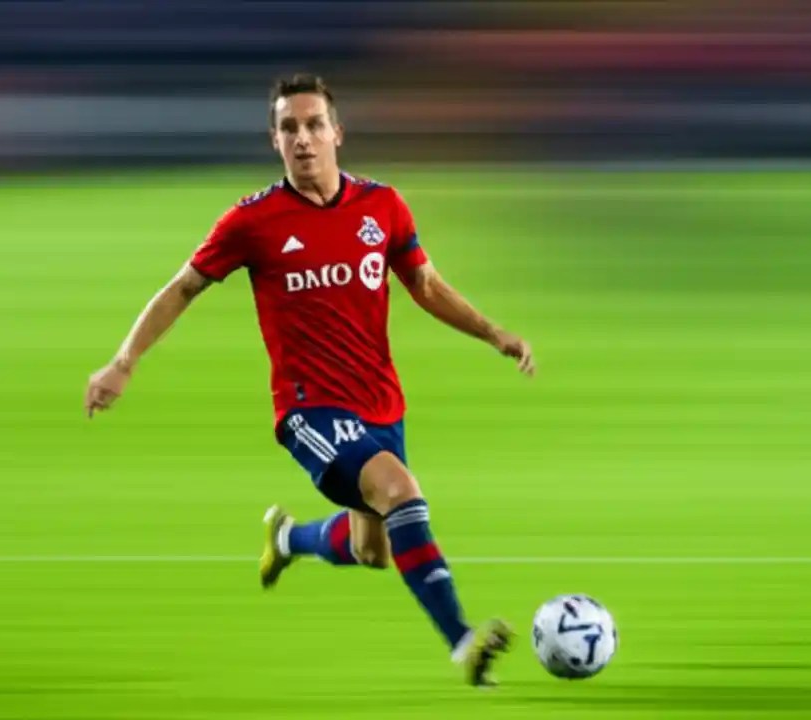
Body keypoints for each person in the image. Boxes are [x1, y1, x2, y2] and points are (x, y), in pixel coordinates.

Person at [84, 73, 535, 686]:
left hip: (381, 404)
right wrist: (124, 360)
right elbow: (183, 286)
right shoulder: (253, 222)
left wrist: (493, 333)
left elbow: (425, 286)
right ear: (275, 141)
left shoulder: (382, 207)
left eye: (314, 124)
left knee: (374, 548)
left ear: (337, 133)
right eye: (289, 128)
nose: (303, 138)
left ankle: (290, 538)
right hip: (309, 411)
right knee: (401, 493)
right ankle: (464, 643)